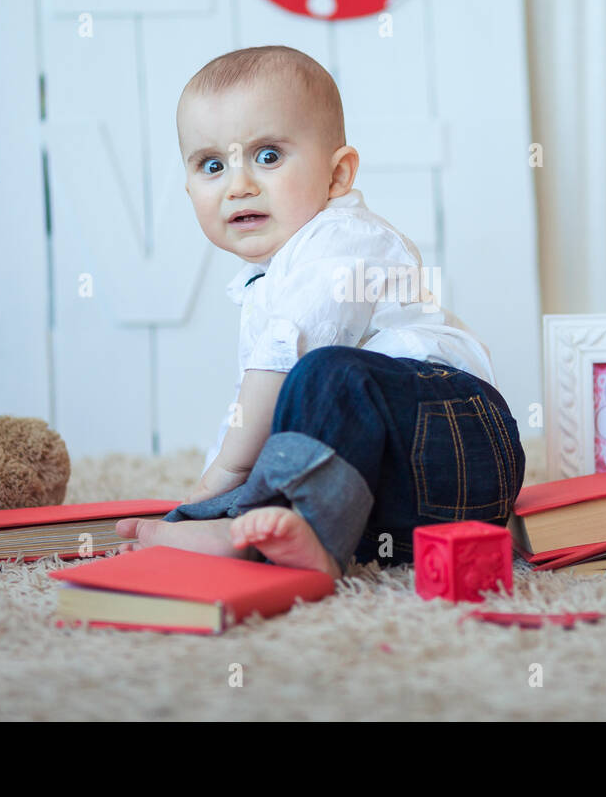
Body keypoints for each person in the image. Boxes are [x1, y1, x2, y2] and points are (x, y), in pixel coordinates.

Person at [115, 45, 524, 578]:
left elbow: (273, 387)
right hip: (392, 498)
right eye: (212, 165)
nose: (238, 184)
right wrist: (200, 503)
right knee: (289, 405)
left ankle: (279, 529)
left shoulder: (342, 240)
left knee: (326, 372)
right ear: (189, 185)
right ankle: (278, 533)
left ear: (337, 176)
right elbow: (254, 411)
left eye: (267, 156)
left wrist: (219, 484)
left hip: (457, 439)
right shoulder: (270, 281)